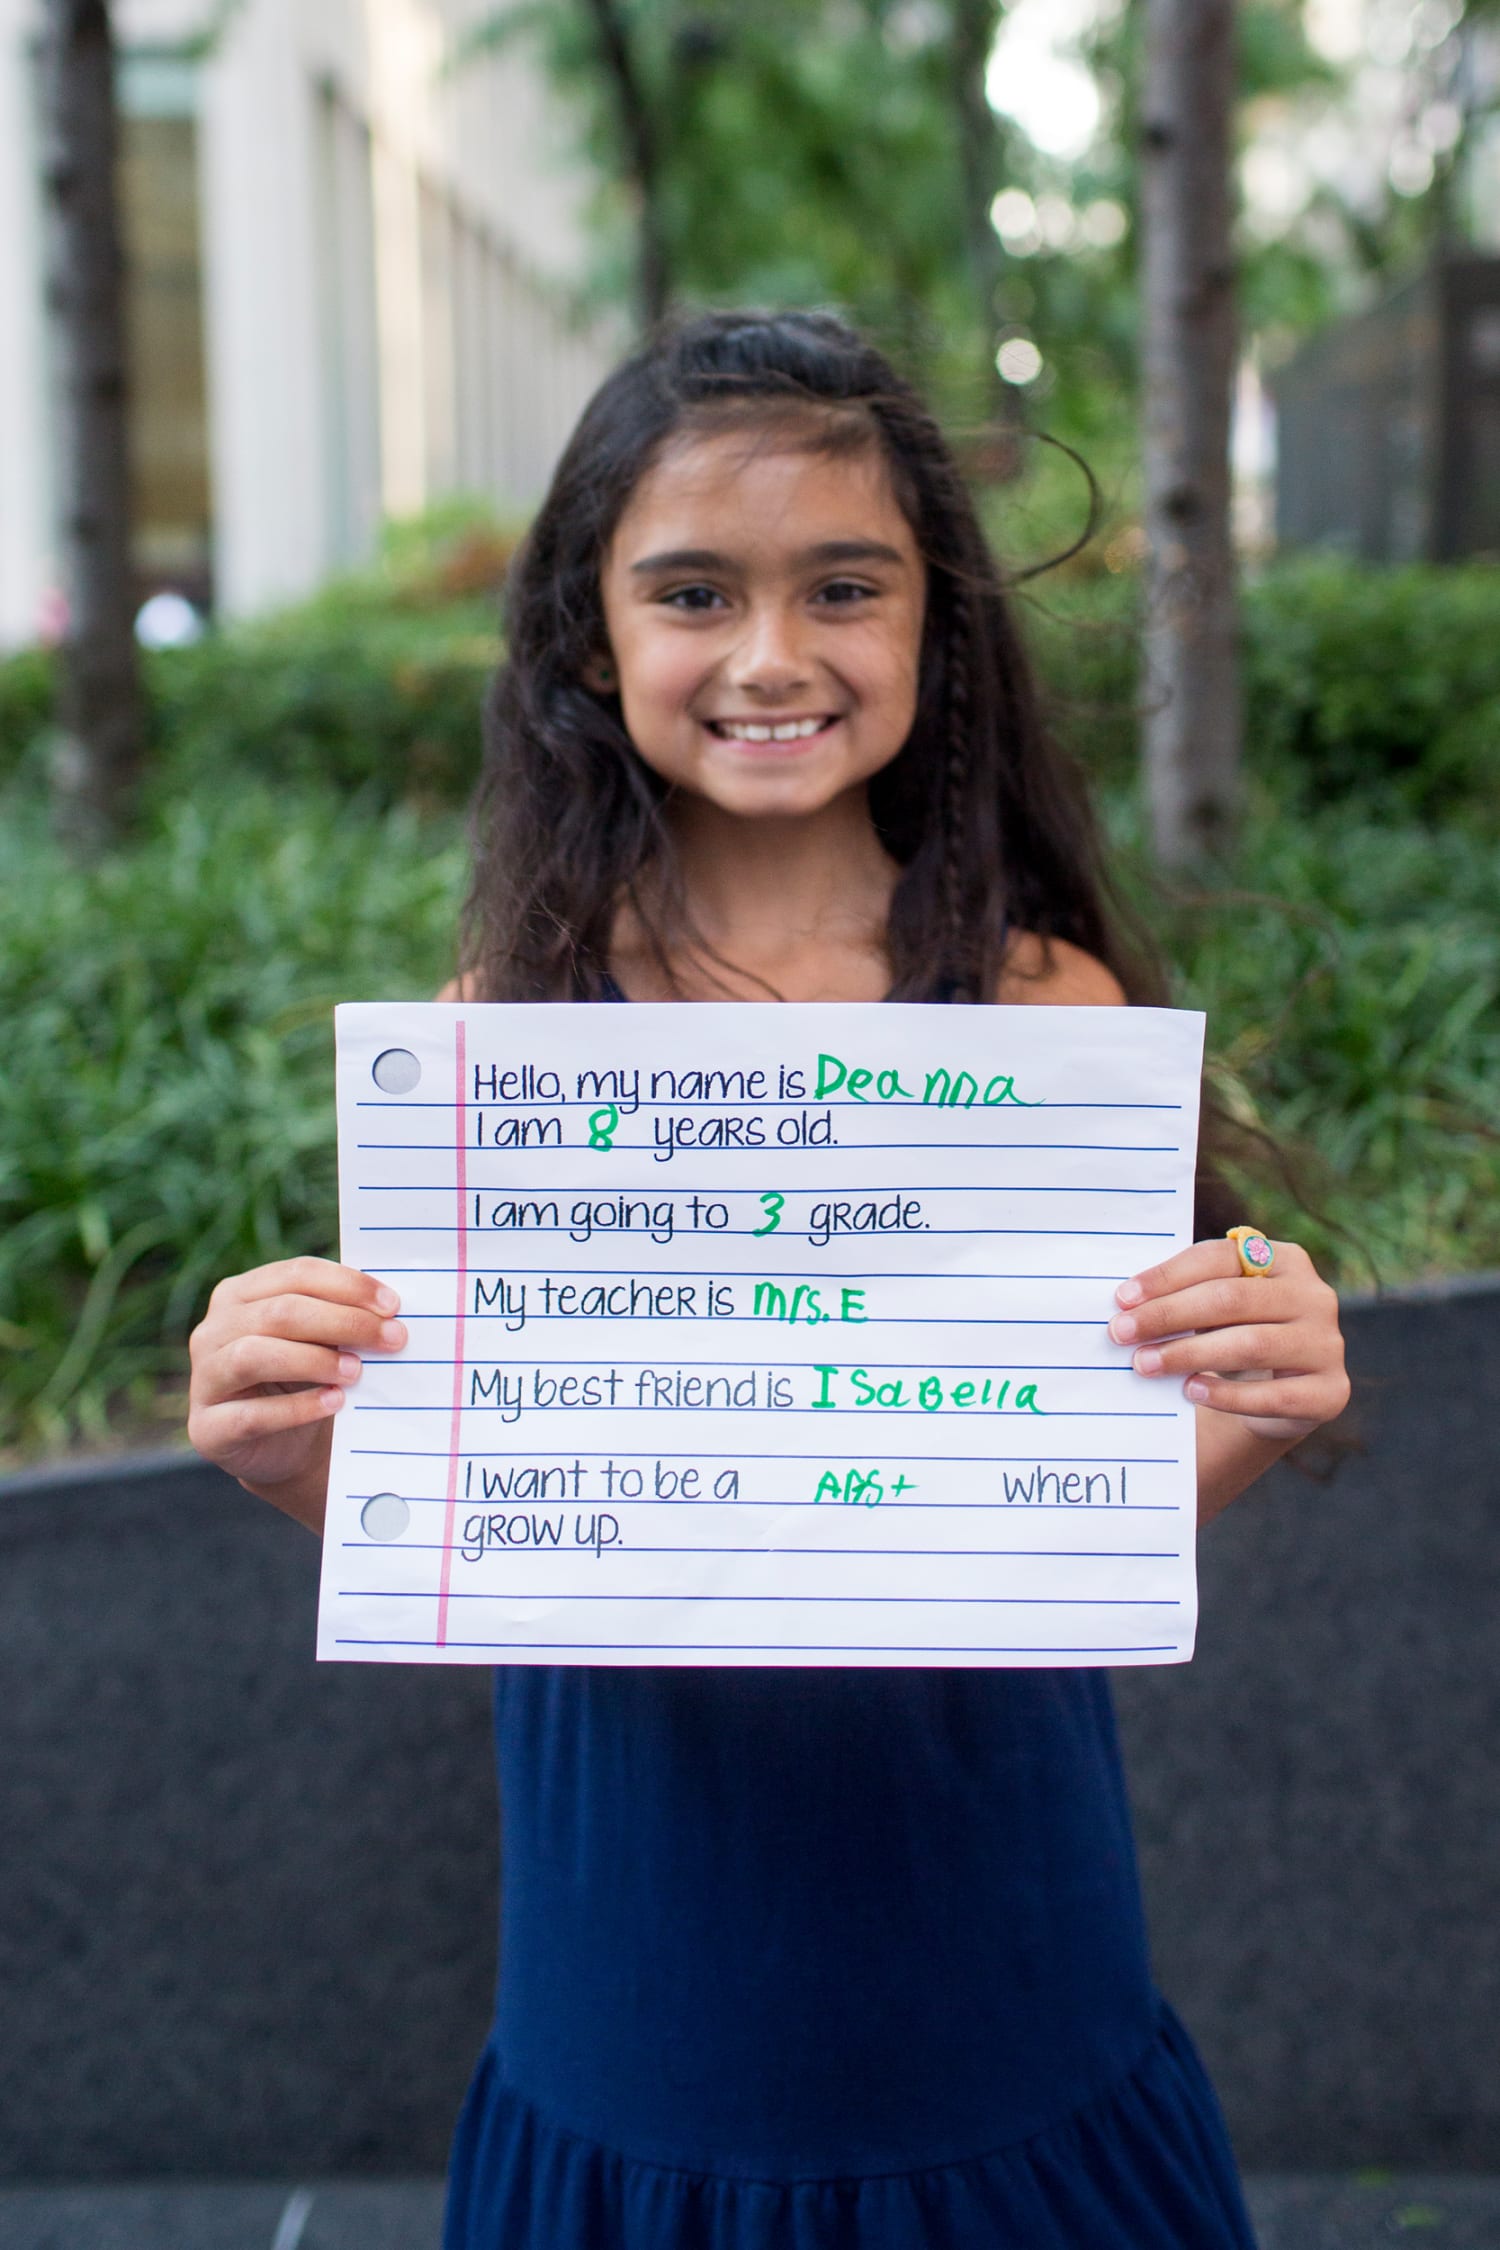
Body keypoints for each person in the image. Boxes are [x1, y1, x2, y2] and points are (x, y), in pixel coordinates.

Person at [188, 310, 1350, 2248]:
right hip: (640, 1950)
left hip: (998, 1928)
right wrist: (289, 1445)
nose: (773, 655)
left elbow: (1095, 1499)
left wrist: (1253, 1387)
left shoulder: (1048, 1010)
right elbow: (479, 1515)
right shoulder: (499, 1059)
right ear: (589, 636)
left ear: (933, 631)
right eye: (693, 591)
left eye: (845, 588)